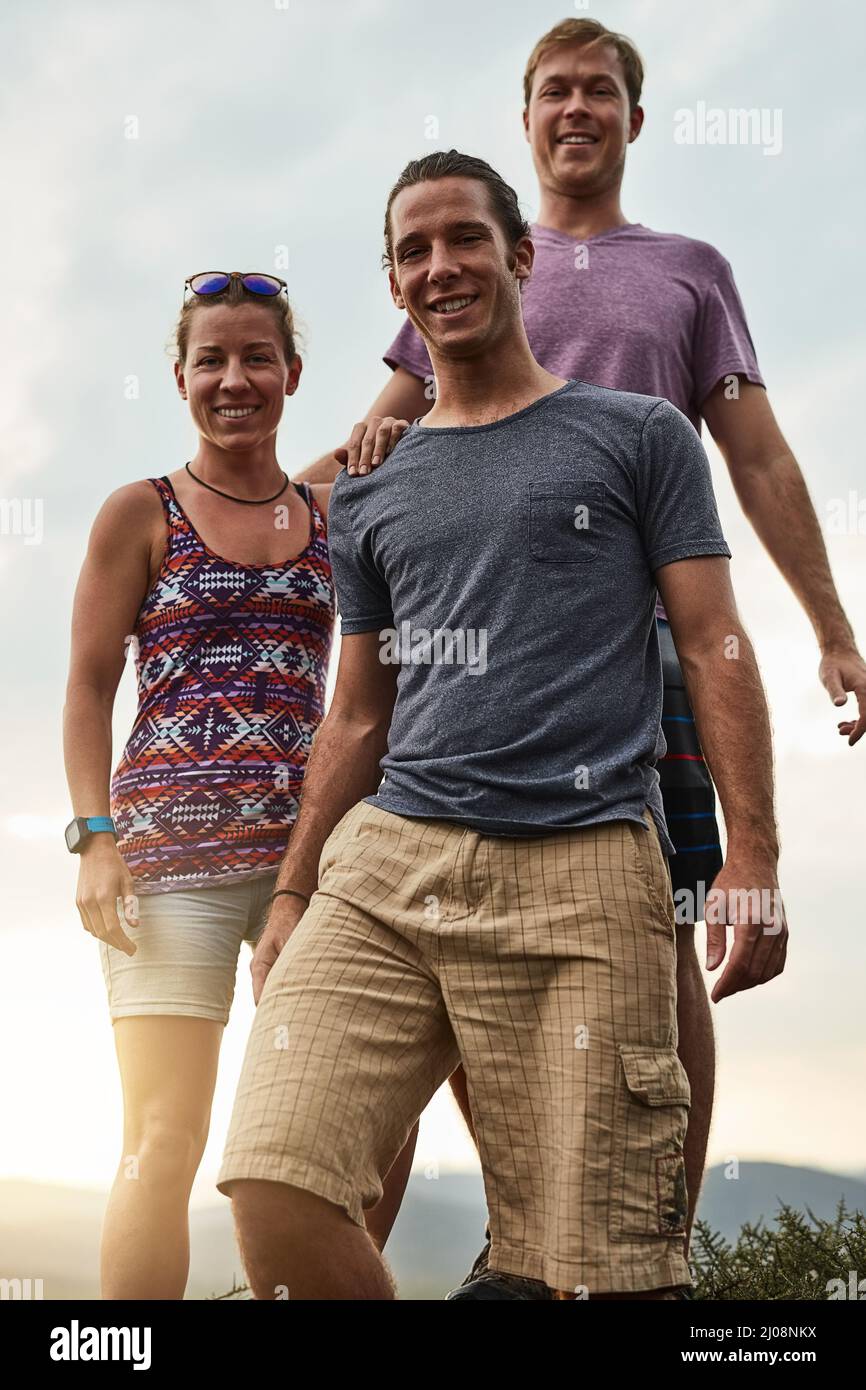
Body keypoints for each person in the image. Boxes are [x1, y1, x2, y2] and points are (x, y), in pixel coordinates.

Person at [295, 17, 865, 1275]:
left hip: (643, 643)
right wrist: (250, 543)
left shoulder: (688, 270)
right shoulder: (471, 253)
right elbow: (377, 434)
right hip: (464, 650)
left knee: (651, 927)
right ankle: (493, 1231)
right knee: (432, 913)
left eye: (599, 90)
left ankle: (641, 1234)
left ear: (632, 119)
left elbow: (756, 457)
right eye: (552, 88)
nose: (575, 107)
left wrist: (830, 627)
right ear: (524, 116)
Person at [217, 152, 789, 1300]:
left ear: (520, 255)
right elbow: (357, 710)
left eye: (464, 239)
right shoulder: (373, 488)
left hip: (582, 870)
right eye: (413, 251)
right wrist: (289, 892)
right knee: (276, 1188)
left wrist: (753, 852)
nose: (441, 266)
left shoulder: (637, 438)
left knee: (597, 1273)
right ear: (394, 286)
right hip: (387, 865)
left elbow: (715, 641)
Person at [62, 270, 398, 1299]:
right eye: (211, 359)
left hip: (312, 870)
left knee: (351, 1135)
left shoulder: (336, 515)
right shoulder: (141, 511)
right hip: (167, 877)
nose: (234, 378)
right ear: (179, 378)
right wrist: (95, 837)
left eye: (257, 357)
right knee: (161, 1139)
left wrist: (380, 442)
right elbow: (85, 683)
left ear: (291, 374)